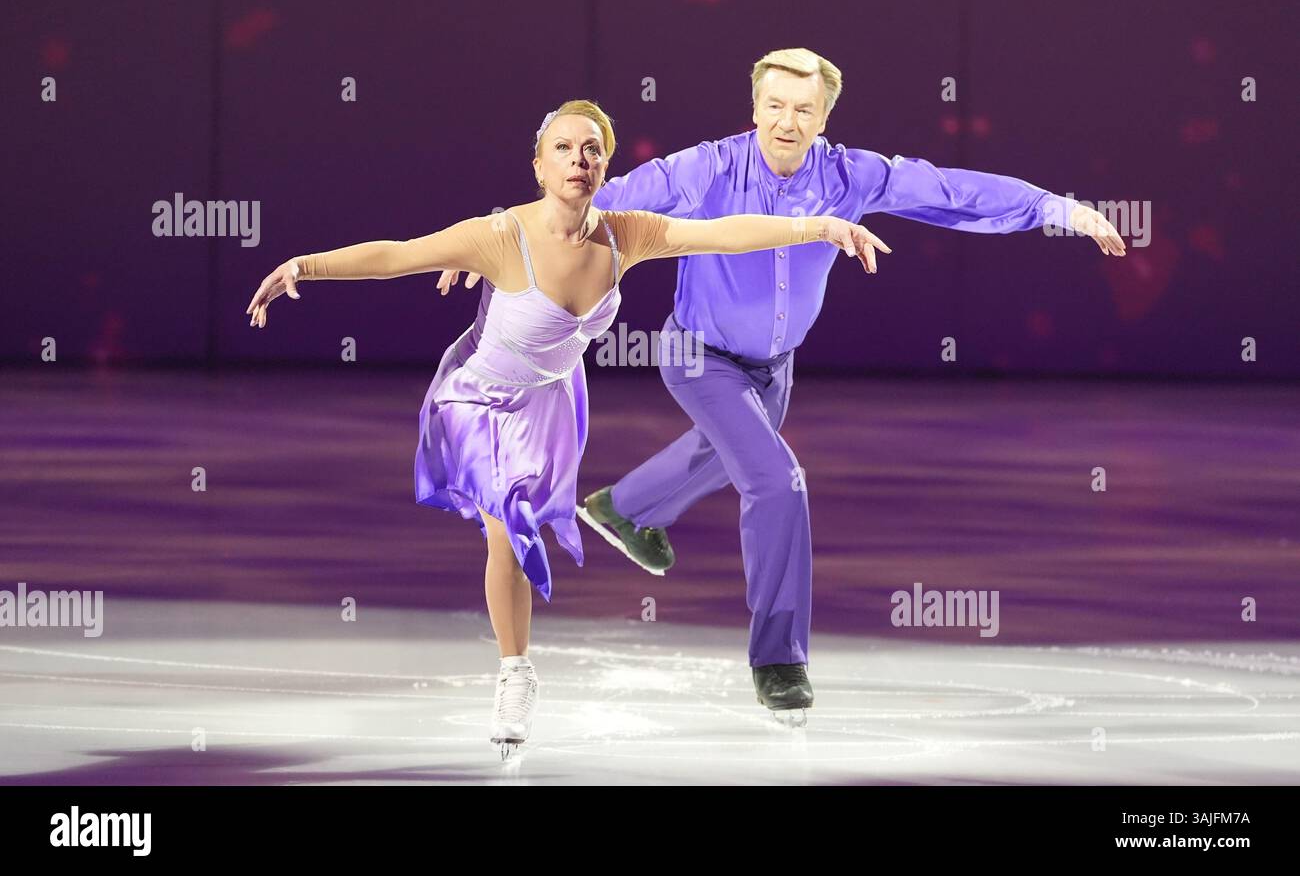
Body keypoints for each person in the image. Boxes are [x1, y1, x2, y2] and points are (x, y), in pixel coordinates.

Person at [441, 48, 1127, 728]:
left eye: (803, 109)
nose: (785, 122)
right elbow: (606, 200)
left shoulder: (852, 176)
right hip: (697, 352)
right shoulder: (710, 165)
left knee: (729, 447)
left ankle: (625, 509)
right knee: (778, 480)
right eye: (773, 106)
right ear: (754, 108)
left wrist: (1057, 209)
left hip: (775, 367)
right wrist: (511, 242)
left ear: (824, 117)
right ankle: (778, 659)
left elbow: (949, 191)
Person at [244, 99, 889, 757]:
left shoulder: (624, 233)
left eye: (592, 151)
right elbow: (397, 255)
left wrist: (821, 226)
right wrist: (303, 267)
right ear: (538, 166)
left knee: (518, 523)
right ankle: (515, 673)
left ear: (604, 167)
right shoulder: (500, 236)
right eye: (563, 149)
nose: (578, 161)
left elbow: (721, 233)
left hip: (551, 401)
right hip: (480, 399)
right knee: (509, 521)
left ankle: (526, 647)